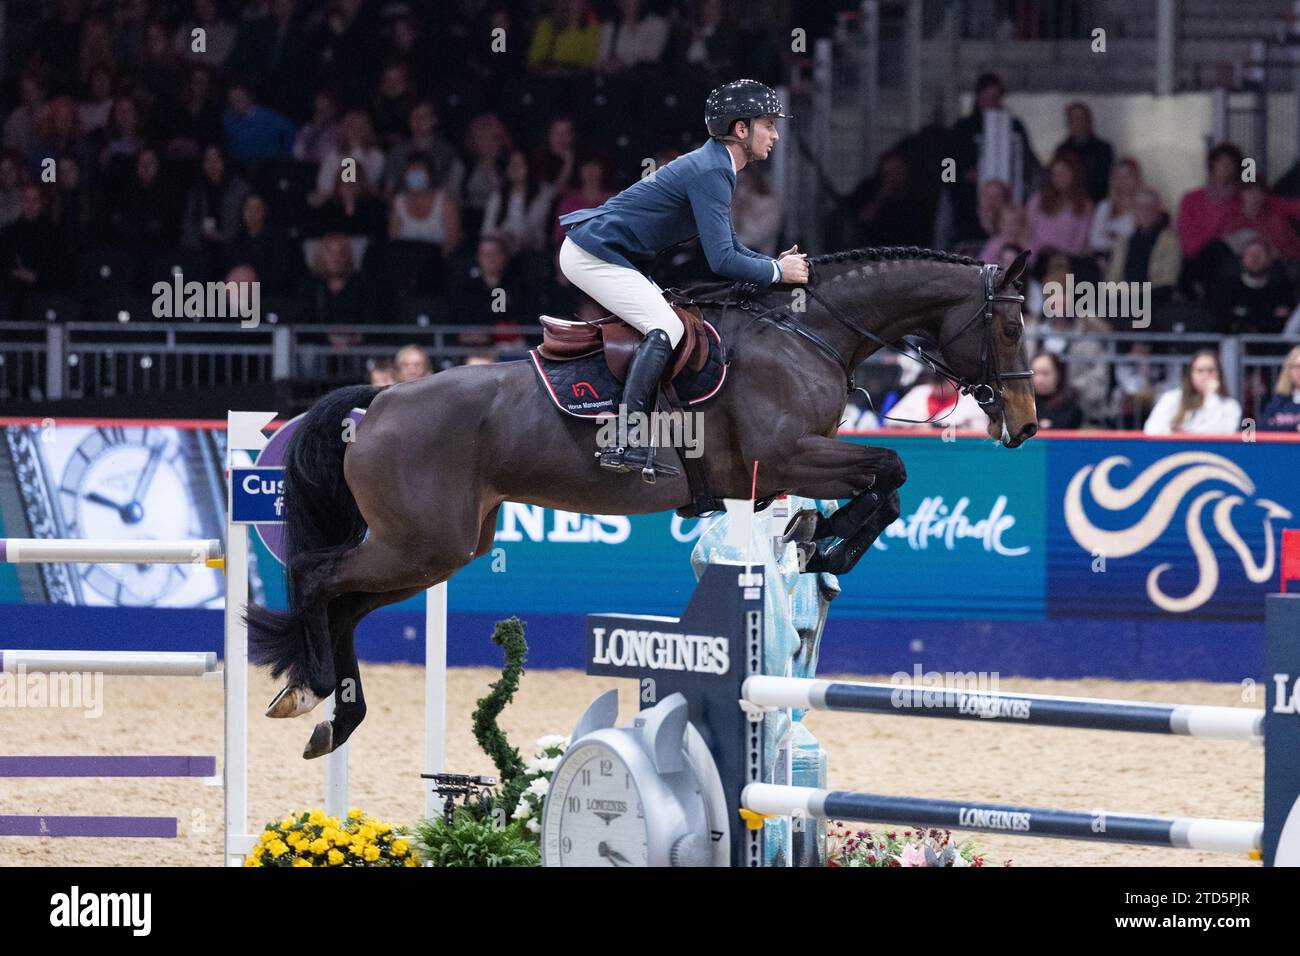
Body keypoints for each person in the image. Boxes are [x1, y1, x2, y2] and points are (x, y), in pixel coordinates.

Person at [557, 79, 807, 478]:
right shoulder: (712, 170)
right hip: (594, 254)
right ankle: (624, 438)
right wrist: (776, 271)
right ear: (740, 129)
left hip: (609, 253)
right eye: (767, 124)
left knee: (674, 320)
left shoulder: (716, 165)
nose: (775, 134)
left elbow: (731, 247)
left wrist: (772, 267)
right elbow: (723, 260)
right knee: (666, 326)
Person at [1143, 349, 1242, 435]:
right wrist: (1174, 433)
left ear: (1219, 374)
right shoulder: (1172, 398)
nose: (1205, 376)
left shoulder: (1230, 405)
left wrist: (1211, 397)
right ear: (1191, 374)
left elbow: (1222, 433)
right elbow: (1151, 429)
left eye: (1211, 370)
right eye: (1200, 371)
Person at [1026, 150, 1093, 258]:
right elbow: (1028, 234)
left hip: (1069, 263)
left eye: (1064, 173)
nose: (1060, 177)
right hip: (1038, 260)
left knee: (1069, 275)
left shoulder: (1085, 205)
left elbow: (1081, 241)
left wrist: (1063, 256)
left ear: (1074, 175)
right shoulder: (1037, 200)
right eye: (1056, 173)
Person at [1054, 101, 1114, 204]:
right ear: (1068, 123)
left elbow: (1107, 181)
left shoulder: (1103, 149)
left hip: (1096, 203)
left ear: (1089, 121)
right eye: (1072, 120)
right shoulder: (1062, 150)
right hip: (1068, 206)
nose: (1077, 123)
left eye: (1080, 119)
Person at [1089, 157, 1141, 257]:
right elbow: (1094, 240)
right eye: (1118, 176)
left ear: (1136, 178)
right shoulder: (1104, 206)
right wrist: (1119, 240)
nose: (1123, 181)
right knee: (1069, 270)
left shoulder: (1142, 207)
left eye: (1127, 176)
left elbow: (1134, 244)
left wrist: (1110, 236)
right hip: (1100, 258)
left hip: (1128, 260)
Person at [1031, 352, 1083, 429]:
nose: (1039, 380)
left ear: (1058, 374)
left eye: (1045, 373)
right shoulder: (1025, 405)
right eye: (1035, 373)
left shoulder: (1071, 407)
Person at [1260, 345, 1300, 432]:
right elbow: (1264, 427)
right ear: (1289, 370)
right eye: (1298, 367)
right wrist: (1295, 428)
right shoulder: (1278, 401)